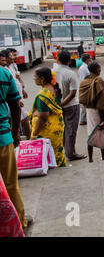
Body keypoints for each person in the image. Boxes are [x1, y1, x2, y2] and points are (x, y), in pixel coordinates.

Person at [0, 66, 30, 234]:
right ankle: (19, 222)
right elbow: (15, 105)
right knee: (10, 183)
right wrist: (15, 132)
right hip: (3, 139)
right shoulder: (4, 73)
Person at [30, 67, 66, 167]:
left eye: (35, 77)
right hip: (57, 127)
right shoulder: (55, 89)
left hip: (48, 130)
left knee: (48, 156)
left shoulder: (42, 96)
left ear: (42, 79)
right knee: (57, 152)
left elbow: (43, 118)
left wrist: (34, 135)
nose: (34, 78)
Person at [53, 50, 86, 161]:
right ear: (69, 61)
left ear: (57, 59)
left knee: (60, 129)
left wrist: (58, 104)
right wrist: (62, 103)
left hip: (56, 105)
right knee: (70, 130)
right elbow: (72, 93)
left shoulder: (53, 71)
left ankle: (61, 151)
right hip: (70, 105)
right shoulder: (70, 73)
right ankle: (71, 153)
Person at [79, 61, 104, 162]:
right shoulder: (99, 81)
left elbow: (82, 98)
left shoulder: (84, 82)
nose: (100, 70)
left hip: (89, 112)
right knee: (102, 136)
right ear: (97, 70)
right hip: (98, 112)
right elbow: (103, 102)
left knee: (90, 135)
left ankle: (90, 159)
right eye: (99, 68)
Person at [5, 49, 31, 139]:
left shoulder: (13, 66)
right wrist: (17, 100)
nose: (14, 57)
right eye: (12, 56)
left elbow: (17, 79)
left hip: (16, 98)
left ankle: (25, 138)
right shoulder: (4, 70)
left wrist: (22, 89)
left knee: (21, 119)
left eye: (14, 55)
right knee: (21, 119)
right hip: (12, 101)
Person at [78, 53, 92, 126]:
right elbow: (83, 79)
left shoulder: (86, 67)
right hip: (85, 88)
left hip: (87, 87)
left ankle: (85, 119)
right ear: (87, 60)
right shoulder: (83, 68)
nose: (91, 59)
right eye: (90, 58)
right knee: (84, 104)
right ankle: (83, 120)